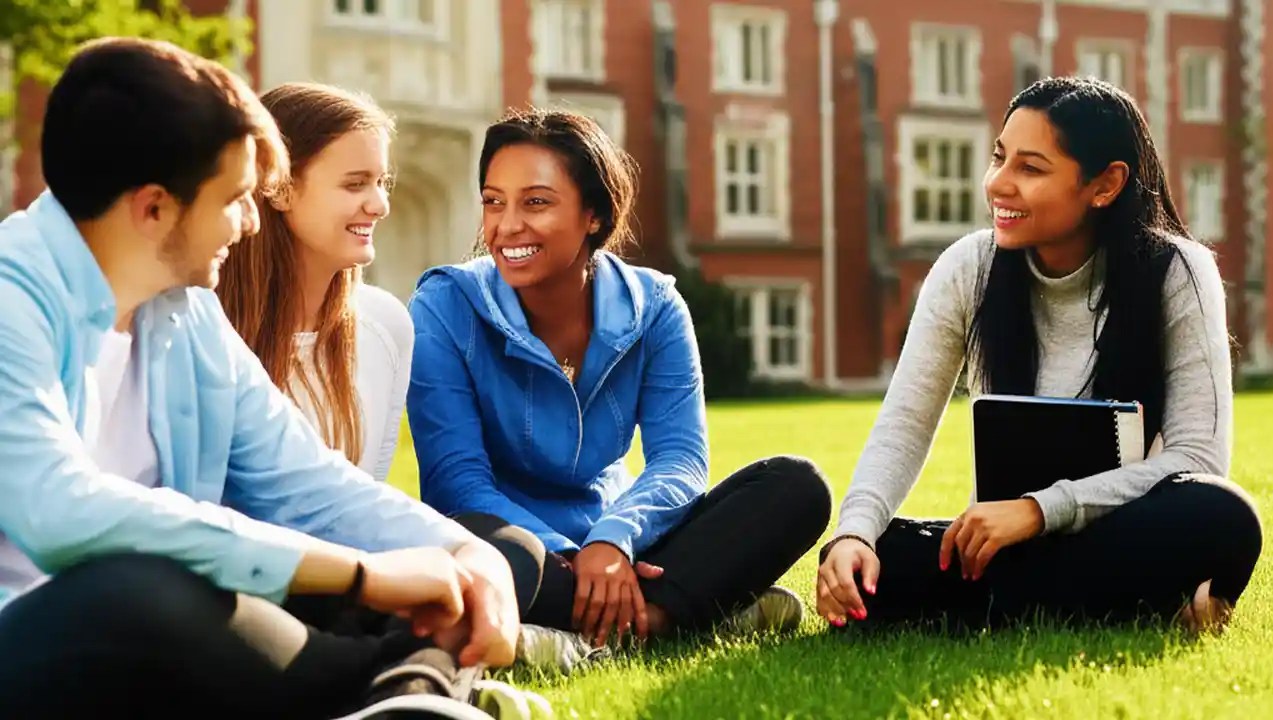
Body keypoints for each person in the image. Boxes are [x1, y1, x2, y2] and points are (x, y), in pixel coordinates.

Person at [0, 38, 544, 720]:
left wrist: (460, 555)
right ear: (153, 208)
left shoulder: (185, 311)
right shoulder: (12, 300)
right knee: (136, 590)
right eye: (233, 199)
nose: (253, 221)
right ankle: (400, 684)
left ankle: (405, 696)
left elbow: (305, 480)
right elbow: (63, 514)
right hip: (44, 633)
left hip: (167, 628)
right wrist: (362, 575)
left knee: (434, 584)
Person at [816, 76, 1262, 635]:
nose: (999, 185)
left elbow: (1197, 460)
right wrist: (854, 533)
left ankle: (1003, 608)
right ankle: (1136, 604)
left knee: (1224, 516)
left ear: (1105, 185)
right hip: (995, 549)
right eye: (999, 158)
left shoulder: (1178, 272)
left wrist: (1037, 510)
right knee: (877, 553)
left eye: (1030, 168)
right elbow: (904, 425)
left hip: (1117, 527)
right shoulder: (968, 268)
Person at [408, 108, 832, 655]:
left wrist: (614, 540)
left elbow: (680, 460)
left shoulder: (655, 309)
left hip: (624, 538)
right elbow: (457, 485)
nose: (506, 225)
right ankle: (680, 615)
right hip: (516, 545)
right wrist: (576, 557)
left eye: (535, 202)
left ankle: (589, 635)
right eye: (494, 201)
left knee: (797, 488)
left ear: (593, 215)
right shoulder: (443, 306)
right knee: (473, 545)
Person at [218, 82, 410, 483]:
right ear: (280, 187)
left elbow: (369, 500)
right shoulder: (204, 327)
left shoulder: (387, 325)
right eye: (355, 184)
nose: (380, 205)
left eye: (382, 182)